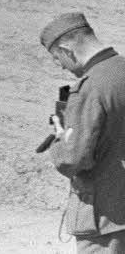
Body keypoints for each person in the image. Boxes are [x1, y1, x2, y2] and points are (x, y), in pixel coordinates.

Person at [41, 13, 125, 251]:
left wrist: (60, 138)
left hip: (107, 216)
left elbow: (73, 159)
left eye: (56, 58)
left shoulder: (90, 88)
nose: (59, 65)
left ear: (67, 50)